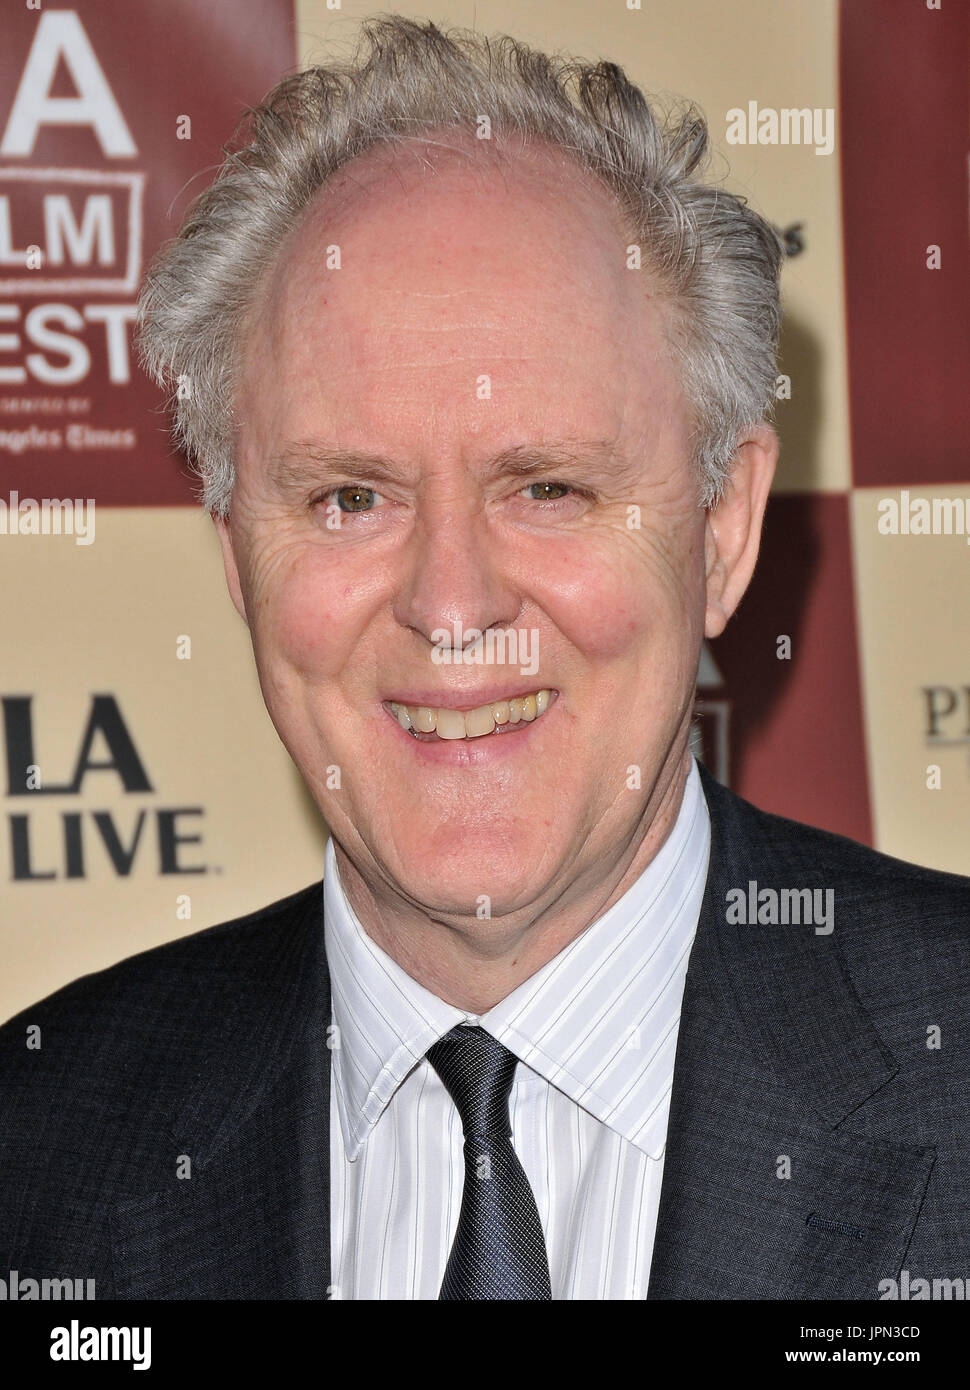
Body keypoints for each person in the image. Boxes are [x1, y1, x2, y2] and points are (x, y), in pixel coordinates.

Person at [1, 15, 967, 1301]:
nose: (451, 605)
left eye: (550, 486)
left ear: (721, 530)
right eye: (351, 497)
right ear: (235, 551)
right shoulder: (38, 1140)